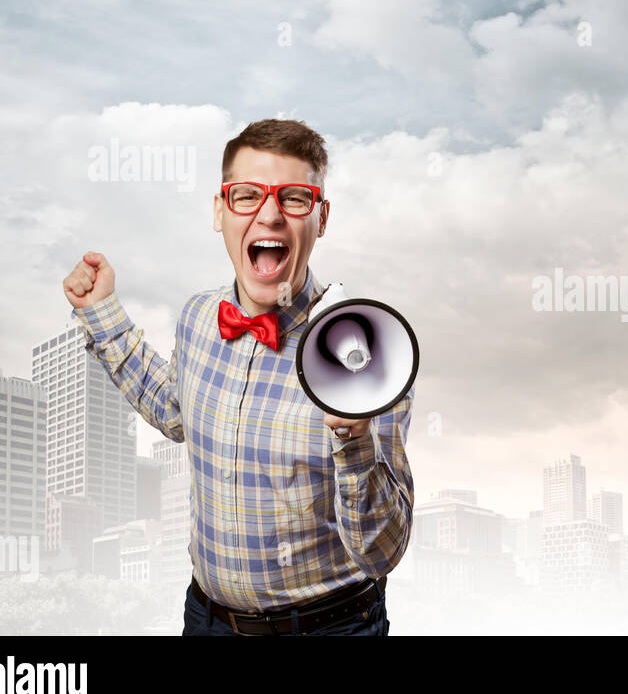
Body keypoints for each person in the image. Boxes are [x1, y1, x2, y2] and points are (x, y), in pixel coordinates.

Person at [62, 119, 413, 635]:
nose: (269, 215)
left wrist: (354, 438)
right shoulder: (198, 317)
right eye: (247, 195)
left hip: (329, 628)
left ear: (321, 217)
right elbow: (175, 410)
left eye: (294, 198)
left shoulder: (369, 354)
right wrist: (101, 311)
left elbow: (381, 552)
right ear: (220, 211)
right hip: (207, 620)